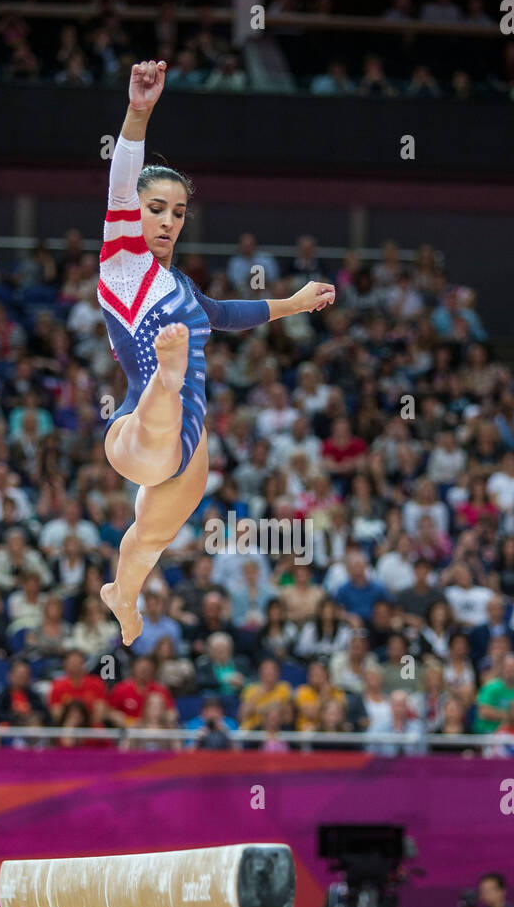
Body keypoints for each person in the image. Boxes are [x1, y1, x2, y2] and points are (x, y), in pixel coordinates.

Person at [96, 60, 335, 646]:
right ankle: (167, 381)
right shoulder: (123, 265)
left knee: (148, 539)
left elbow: (230, 314)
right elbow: (122, 183)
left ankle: (122, 595)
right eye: (156, 209)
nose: (168, 221)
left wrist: (294, 303)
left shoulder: (184, 291)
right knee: (164, 398)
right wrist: (139, 112)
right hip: (139, 425)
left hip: (191, 446)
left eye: (178, 213)